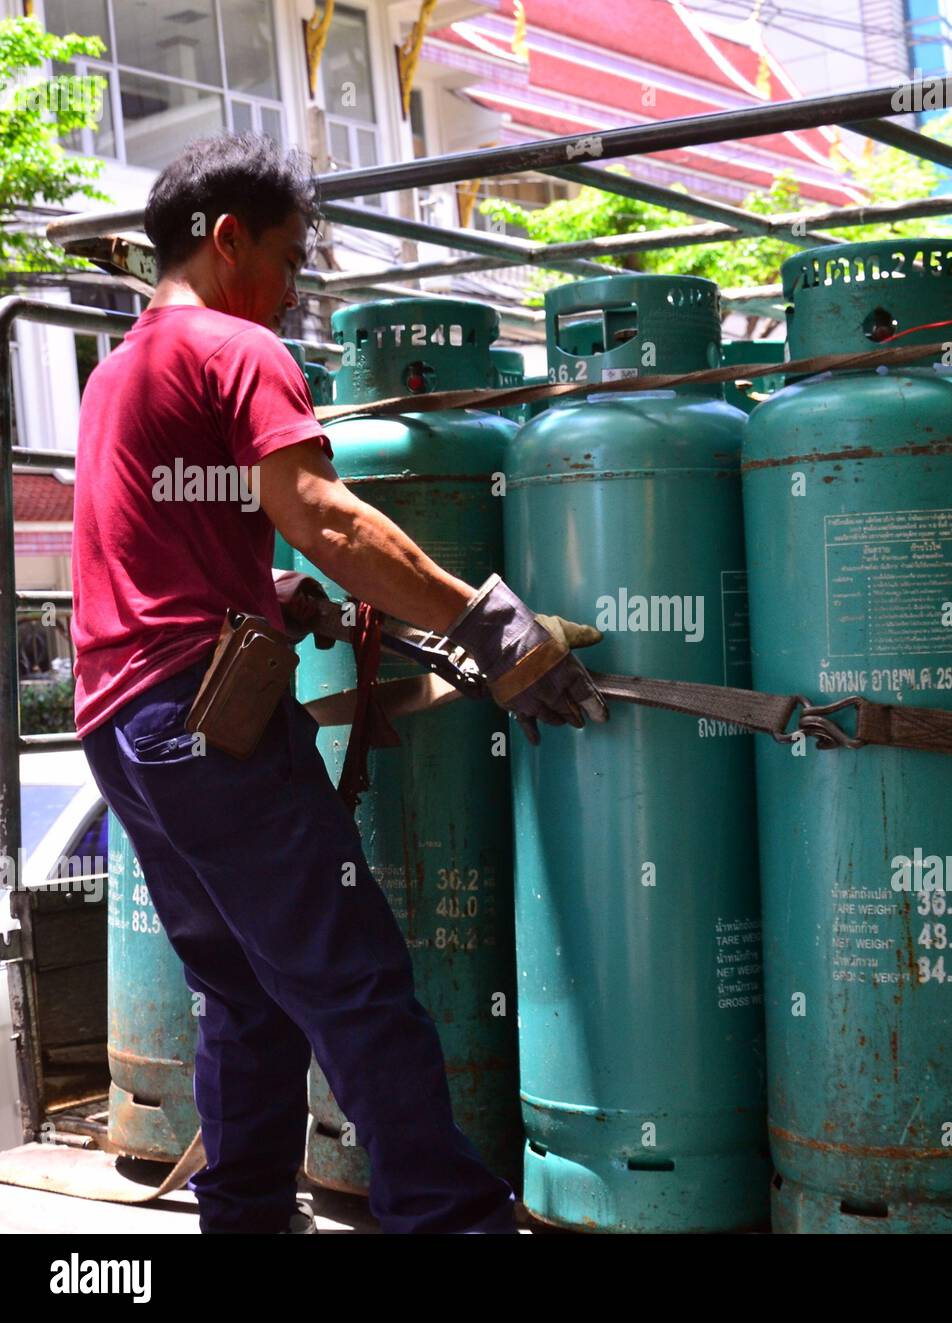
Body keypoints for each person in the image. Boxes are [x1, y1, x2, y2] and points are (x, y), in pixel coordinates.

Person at [70, 132, 607, 1234]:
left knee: (245, 990)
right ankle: (450, 1221)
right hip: (205, 724)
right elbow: (326, 512)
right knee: (355, 979)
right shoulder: (237, 348)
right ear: (227, 242)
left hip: (124, 727)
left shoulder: (121, 371)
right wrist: (487, 623)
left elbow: (157, 542)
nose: (295, 288)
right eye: (289, 258)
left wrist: (271, 592)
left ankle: (248, 1215)